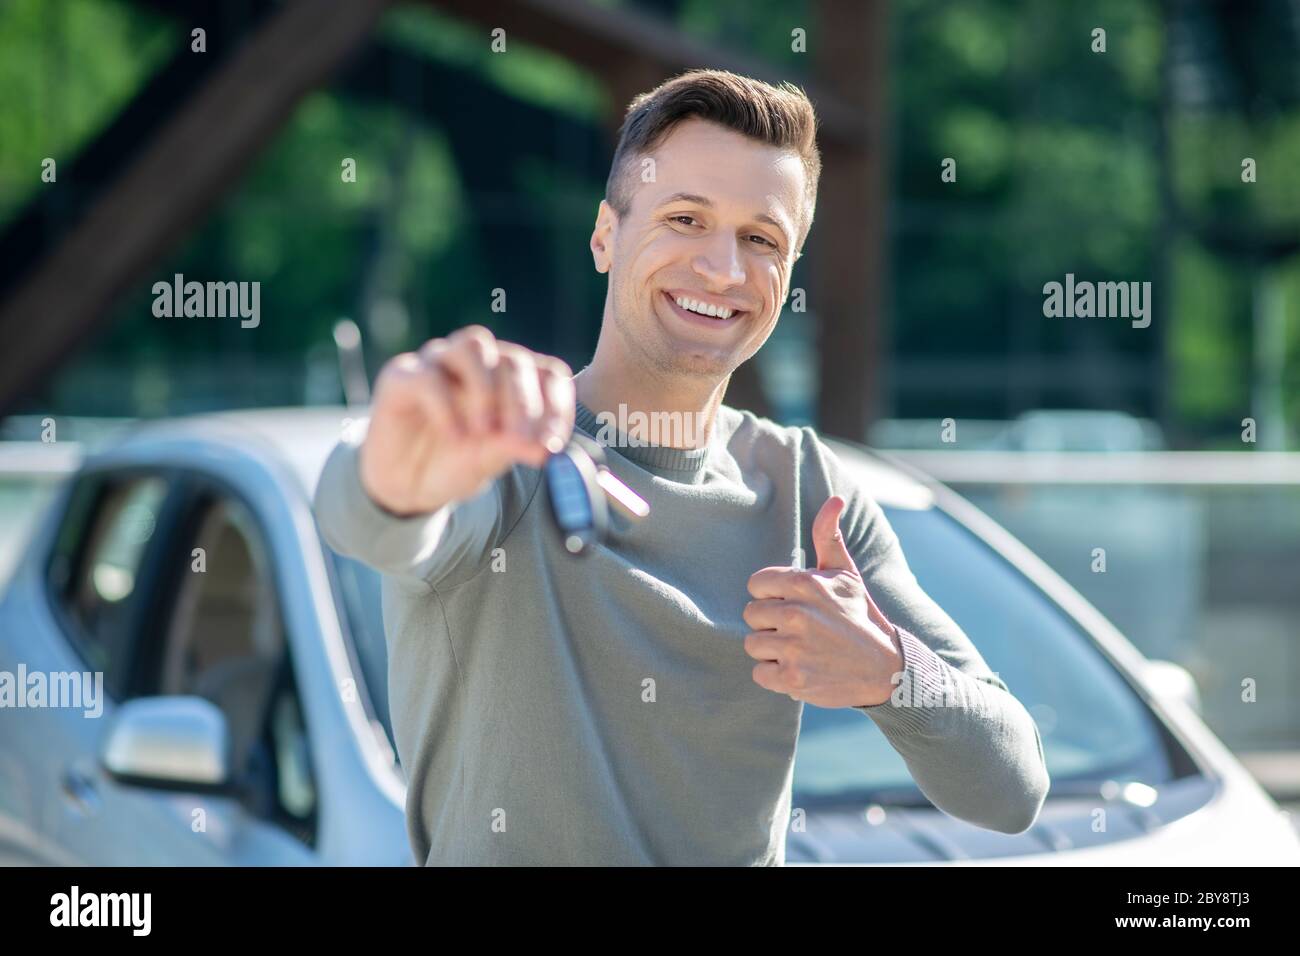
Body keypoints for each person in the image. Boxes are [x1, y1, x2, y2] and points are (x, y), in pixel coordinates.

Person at [313, 68, 1049, 866]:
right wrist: (399, 446)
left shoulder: (812, 492)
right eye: (686, 218)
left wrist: (892, 674)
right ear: (605, 236)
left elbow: (1012, 791)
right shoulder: (509, 454)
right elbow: (363, 516)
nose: (723, 269)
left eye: (761, 239)